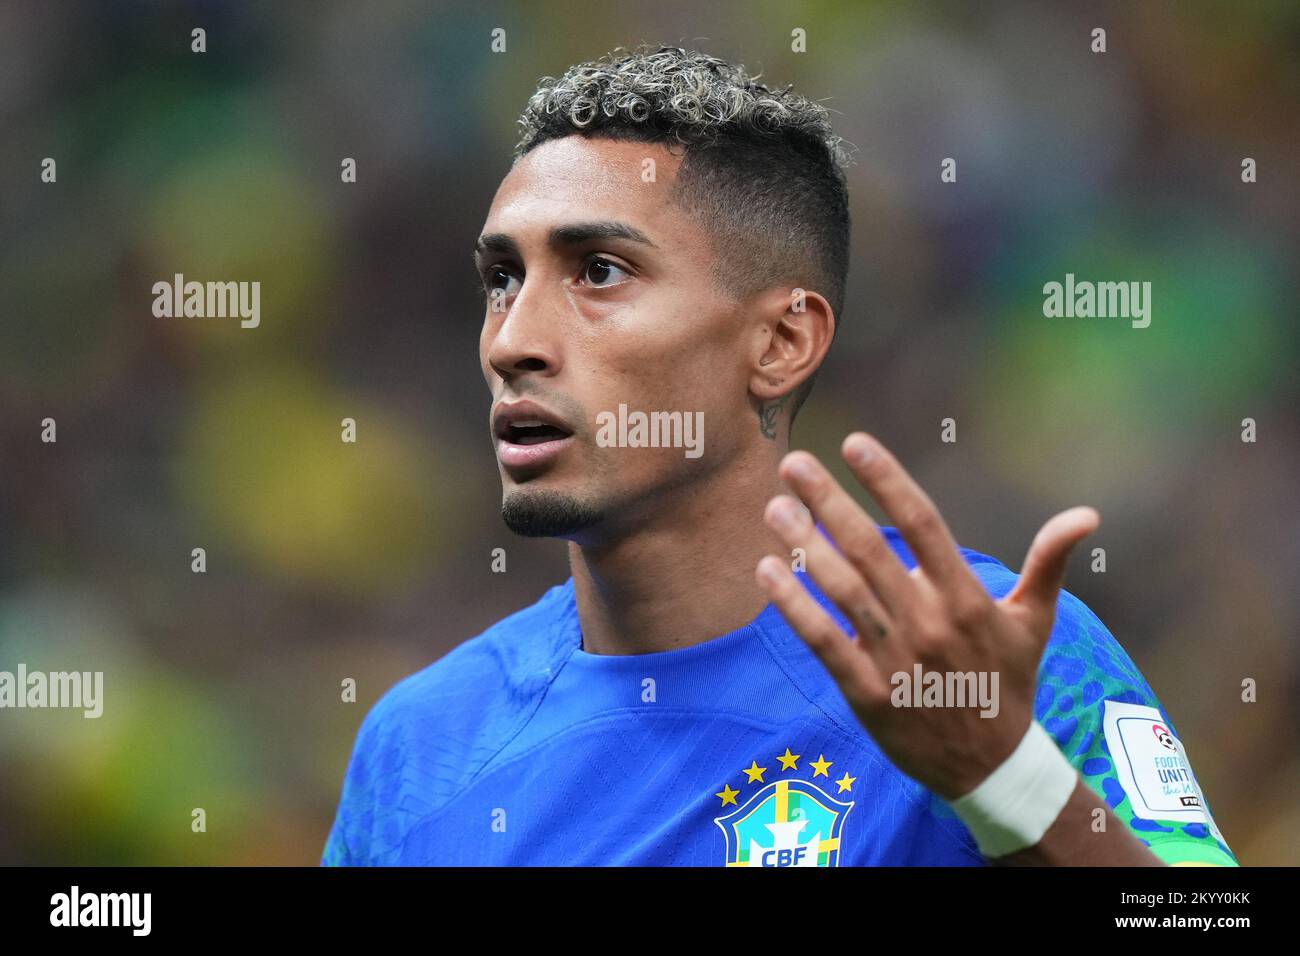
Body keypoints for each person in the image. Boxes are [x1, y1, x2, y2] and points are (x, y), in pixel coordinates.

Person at [323, 45, 1236, 866]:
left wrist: (1004, 778)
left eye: (599, 271)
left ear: (781, 344)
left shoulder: (987, 654)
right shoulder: (419, 747)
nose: (511, 340)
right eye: (501, 279)